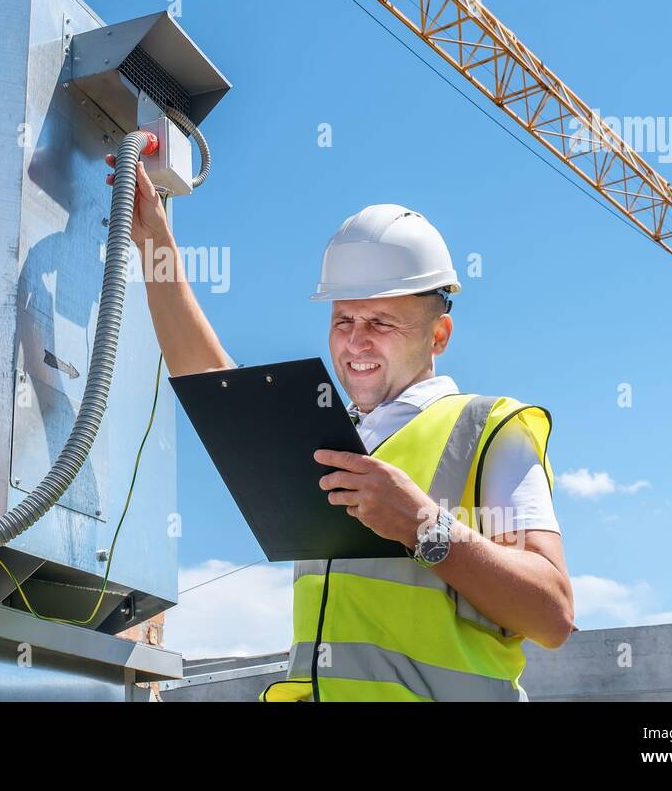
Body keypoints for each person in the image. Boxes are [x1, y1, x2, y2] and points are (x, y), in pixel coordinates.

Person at [105, 154, 574, 701]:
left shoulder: (488, 429)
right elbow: (213, 382)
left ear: (438, 335)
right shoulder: (324, 431)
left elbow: (553, 615)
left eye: (381, 323)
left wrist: (424, 526)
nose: (356, 342)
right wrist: (154, 244)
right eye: (343, 320)